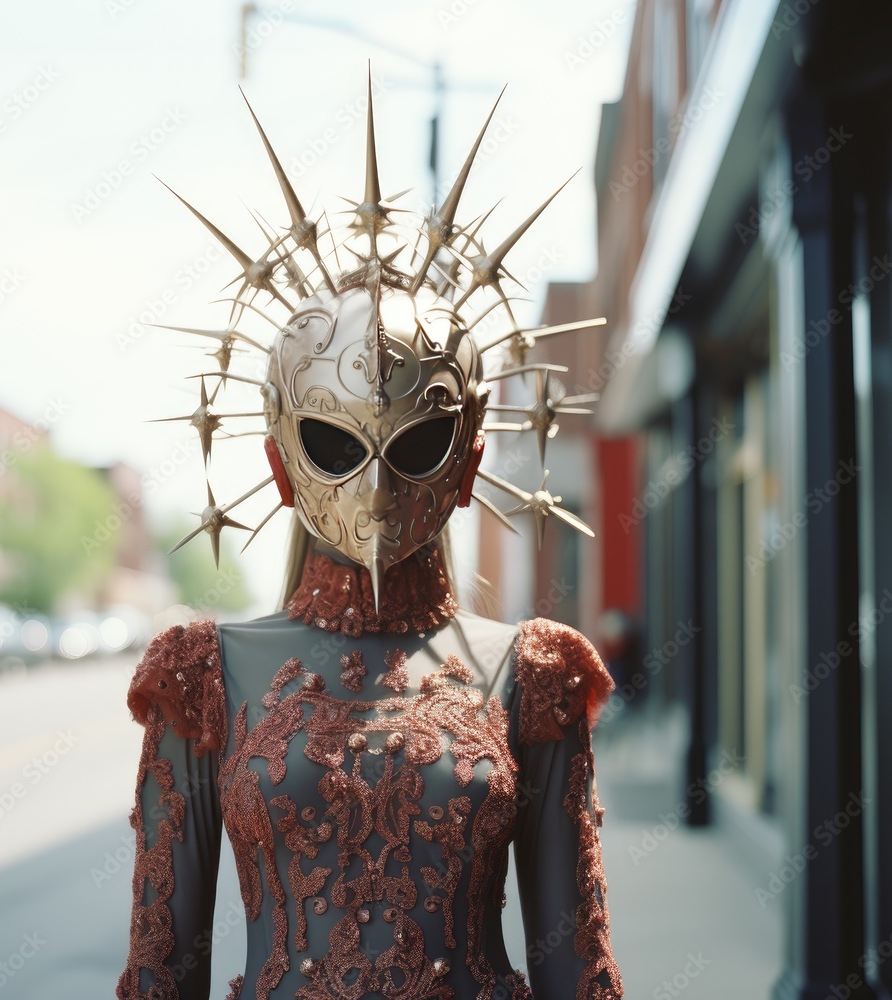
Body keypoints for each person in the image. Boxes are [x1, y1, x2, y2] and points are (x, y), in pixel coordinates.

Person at [116, 76, 624, 1000]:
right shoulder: (202, 676)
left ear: (467, 464)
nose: (379, 485)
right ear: (281, 464)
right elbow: (160, 972)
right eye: (337, 447)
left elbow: (578, 971)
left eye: (418, 445)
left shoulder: (533, 675)